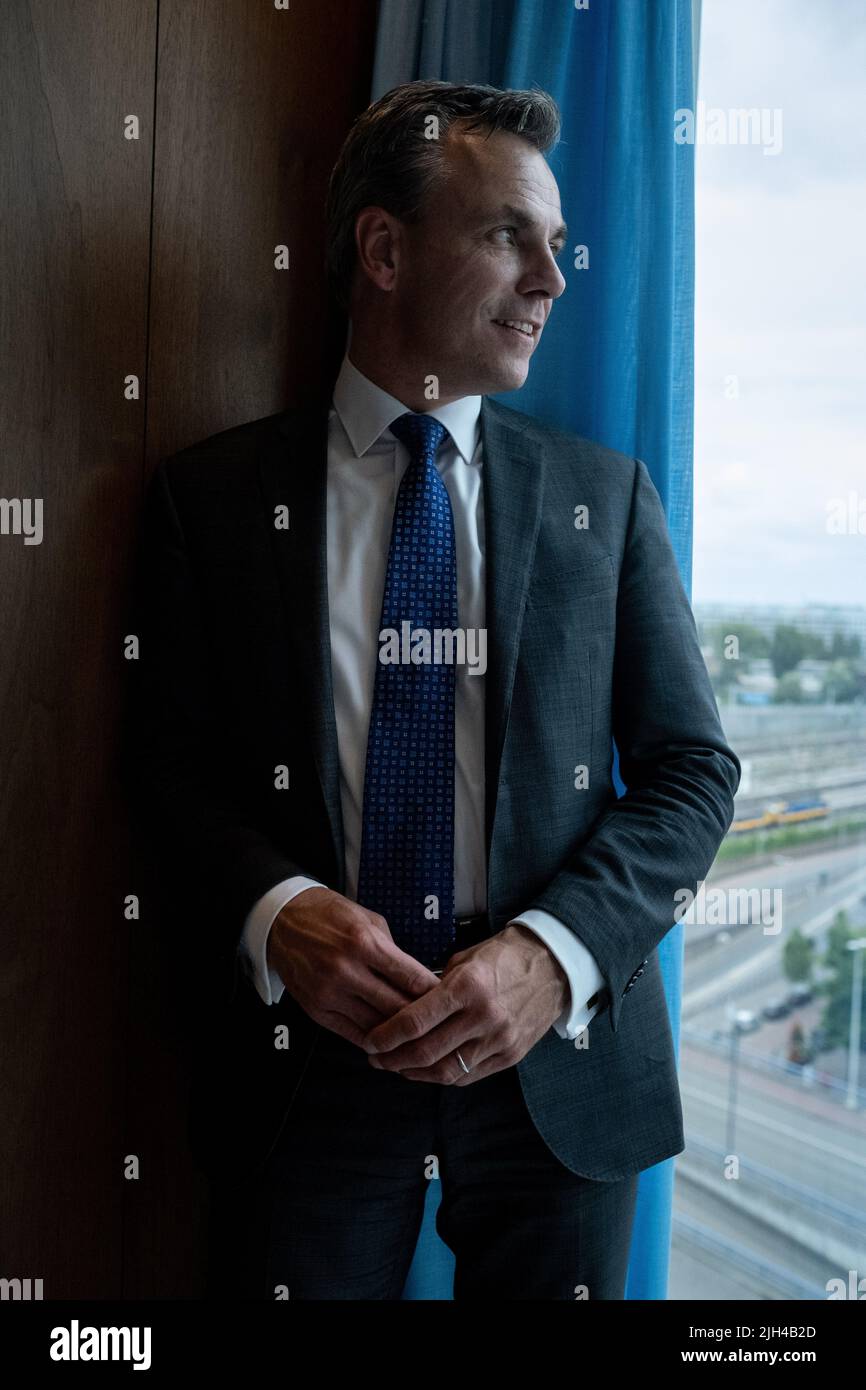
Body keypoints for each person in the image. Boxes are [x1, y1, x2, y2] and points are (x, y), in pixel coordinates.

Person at [124, 79, 740, 1300]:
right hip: (309, 1076)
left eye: (556, 247)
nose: (551, 282)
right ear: (385, 247)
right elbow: (165, 764)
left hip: (555, 1072)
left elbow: (691, 772)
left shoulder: (600, 498)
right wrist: (276, 908)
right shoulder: (214, 502)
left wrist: (551, 955)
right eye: (511, 234)